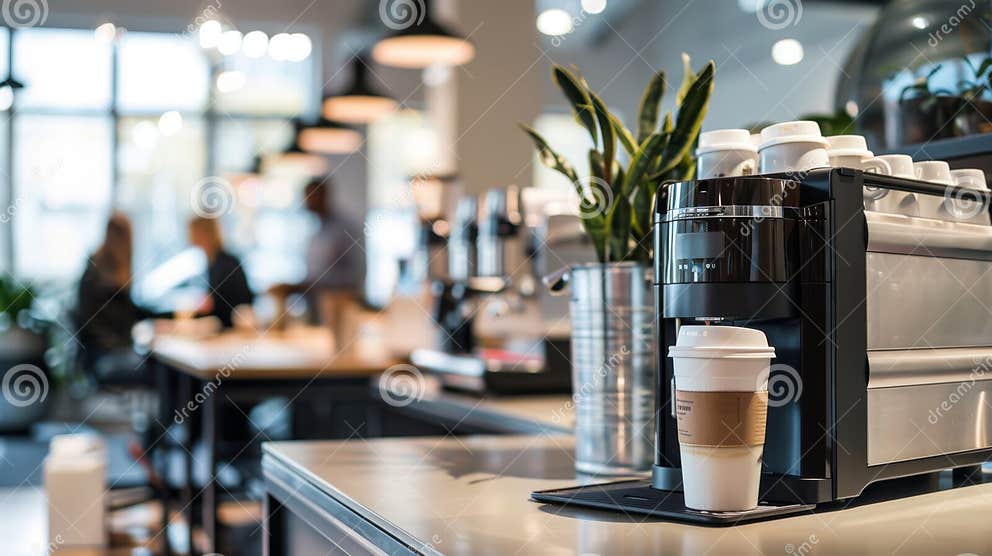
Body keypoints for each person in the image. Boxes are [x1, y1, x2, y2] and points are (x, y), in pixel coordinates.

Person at [269, 178, 364, 326]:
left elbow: (355, 274)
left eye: (311, 196)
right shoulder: (317, 229)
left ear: (324, 195)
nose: (307, 201)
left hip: (338, 313)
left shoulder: (345, 228)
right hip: (315, 310)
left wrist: (306, 286)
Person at [76, 213, 153, 384]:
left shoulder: (110, 271)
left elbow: (131, 310)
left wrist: (165, 317)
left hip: (114, 351)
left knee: (159, 367)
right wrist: (121, 344)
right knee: (162, 371)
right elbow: (89, 323)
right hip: (103, 356)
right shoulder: (95, 274)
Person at [188, 216, 254, 328]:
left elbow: (239, 301)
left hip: (232, 329)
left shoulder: (227, 263)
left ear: (204, 234)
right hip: (222, 328)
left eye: (192, 233)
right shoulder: (212, 261)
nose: (189, 238)